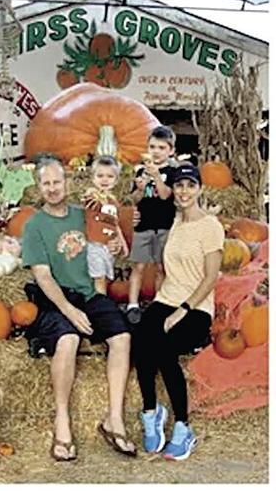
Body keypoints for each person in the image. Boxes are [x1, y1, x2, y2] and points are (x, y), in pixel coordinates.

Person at [21, 158, 136, 461]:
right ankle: (62, 420)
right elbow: (43, 276)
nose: (52, 188)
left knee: (122, 337)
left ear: (67, 183)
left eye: (57, 182)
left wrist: (113, 246)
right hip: (55, 299)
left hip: (89, 294)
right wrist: (69, 311)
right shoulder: (34, 226)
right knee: (68, 339)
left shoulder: (84, 214)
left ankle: (114, 419)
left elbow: (106, 243)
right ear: (38, 187)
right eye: (46, 183)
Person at [133, 163, 221, 461]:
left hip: (196, 305)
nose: (184, 191)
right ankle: (151, 411)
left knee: (165, 347)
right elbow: (139, 218)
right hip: (166, 298)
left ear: (199, 189)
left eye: (190, 185)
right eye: (179, 185)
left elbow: (211, 278)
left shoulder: (210, 226)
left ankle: (183, 427)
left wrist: (182, 310)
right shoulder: (172, 219)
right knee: (140, 340)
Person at [126, 126, 180, 324]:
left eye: (161, 148)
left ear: (171, 151)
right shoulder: (141, 171)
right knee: (138, 266)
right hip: (144, 226)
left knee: (160, 268)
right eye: (152, 147)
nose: (156, 151)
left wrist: (156, 176)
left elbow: (166, 195)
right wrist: (140, 189)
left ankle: (158, 302)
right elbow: (134, 199)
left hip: (164, 226)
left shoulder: (173, 172)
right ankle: (133, 305)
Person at [82, 156, 128, 295]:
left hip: (109, 246)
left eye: (110, 176)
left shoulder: (113, 202)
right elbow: (88, 200)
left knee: (106, 276)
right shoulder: (93, 198)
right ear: (93, 178)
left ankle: (100, 298)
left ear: (116, 180)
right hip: (95, 244)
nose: (104, 180)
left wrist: (123, 243)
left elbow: (115, 224)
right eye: (100, 176)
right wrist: (92, 194)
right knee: (99, 277)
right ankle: (101, 303)